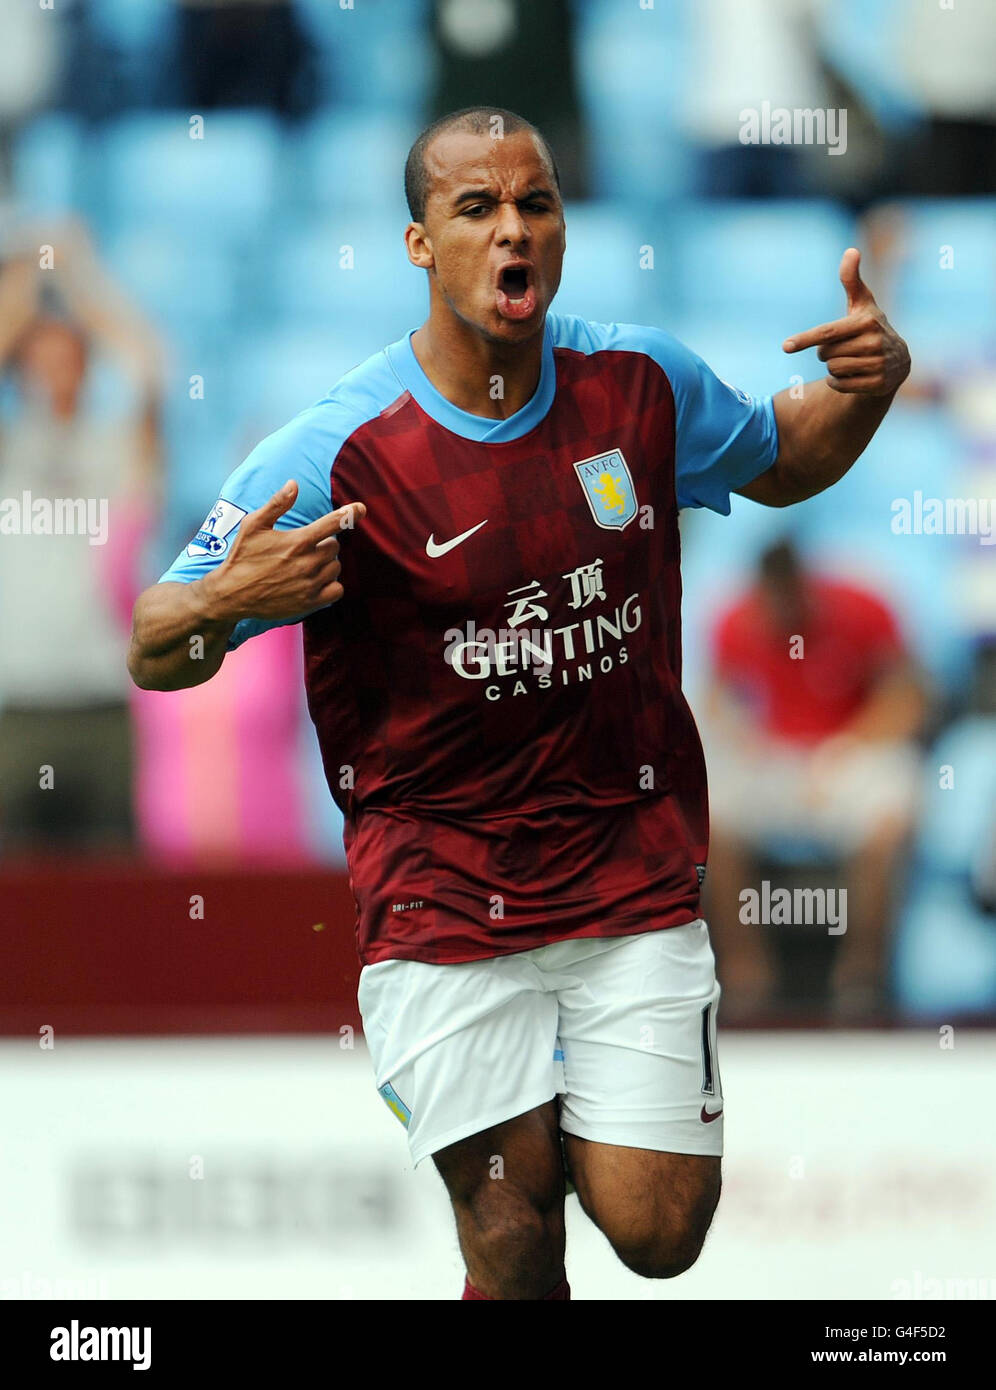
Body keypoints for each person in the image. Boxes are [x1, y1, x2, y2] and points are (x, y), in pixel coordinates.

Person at [127, 106, 911, 1299]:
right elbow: (154, 643)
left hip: (628, 866)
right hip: (438, 878)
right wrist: (219, 604)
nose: (514, 230)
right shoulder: (337, 448)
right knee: (509, 1224)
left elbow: (780, 454)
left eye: (536, 204)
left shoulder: (640, 386)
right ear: (418, 243)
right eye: (477, 208)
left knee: (658, 1231)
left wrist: (866, 391)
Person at [701, 539, 928, 1022]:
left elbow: (909, 697)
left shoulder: (861, 610)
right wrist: (747, 740)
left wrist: (849, 746)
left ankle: (862, 974)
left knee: (887, 818)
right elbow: (717, 701)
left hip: (852, 750)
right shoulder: (736, 620)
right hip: (775, 758)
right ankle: (744, 972)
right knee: (711, 820)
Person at [0, 220, 162, 853]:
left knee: (112, 903)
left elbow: (149, 369)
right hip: (16, 706)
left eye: (67, 356)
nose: (55, 370)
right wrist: (29, 275)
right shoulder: (10, 452)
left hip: (103, 703)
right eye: (39, 357)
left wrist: (77, 273)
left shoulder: (115, 452)